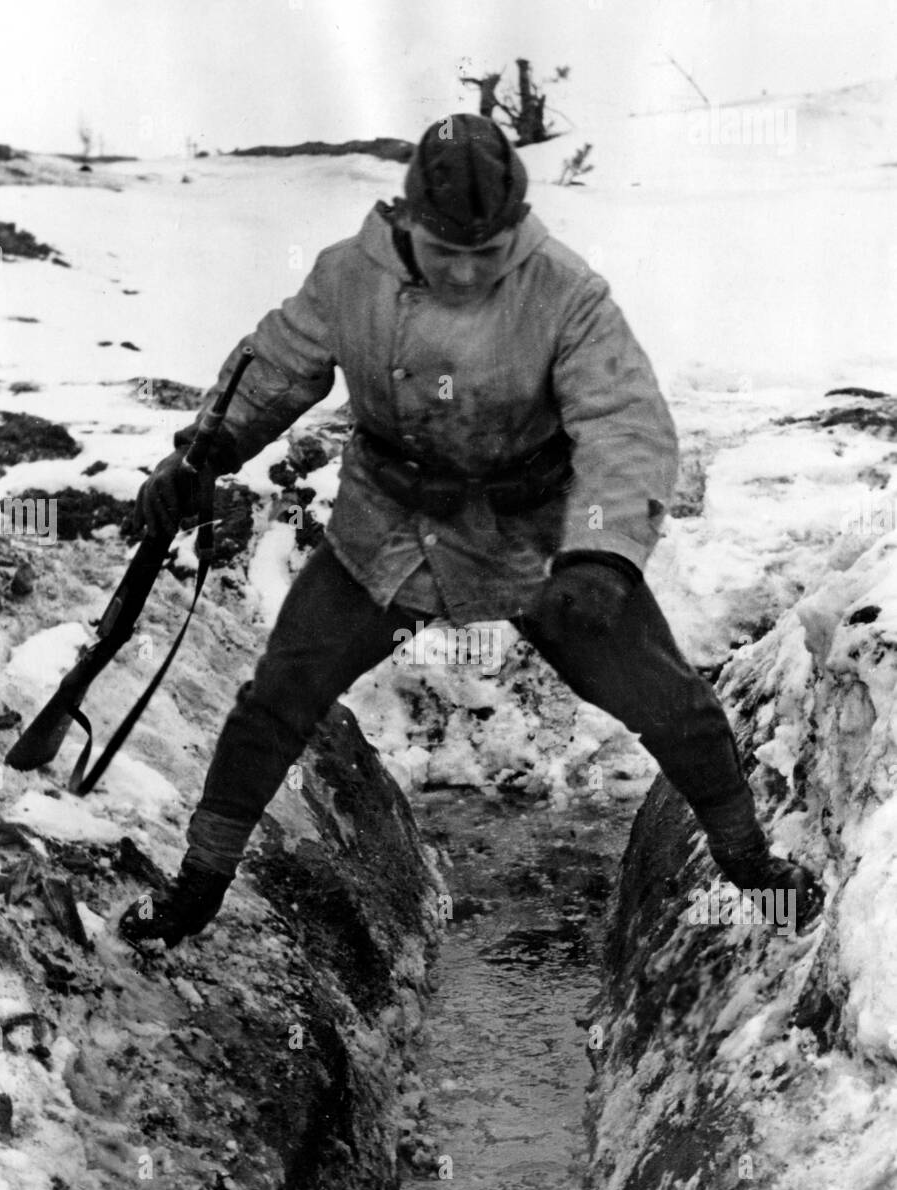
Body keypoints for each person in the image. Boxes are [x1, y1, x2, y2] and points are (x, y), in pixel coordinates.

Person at [120, 113, 822, 948]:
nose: (462, 271)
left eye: (483, 255)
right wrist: (207, 449)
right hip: (386, 532)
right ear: (409, 219)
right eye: (444, 250)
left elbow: (624, 425)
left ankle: (748, 865)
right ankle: (197, 886)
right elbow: (274, 366)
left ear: (514, 231)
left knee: (675, 707)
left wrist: (600, 555)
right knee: (274, 702)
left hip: (536, 537)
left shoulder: (566, 292)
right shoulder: (348, 276)